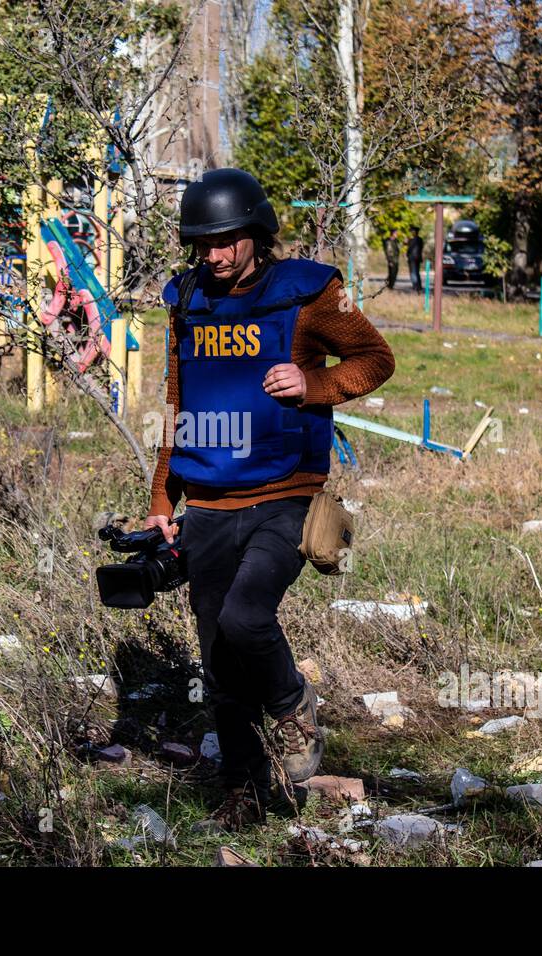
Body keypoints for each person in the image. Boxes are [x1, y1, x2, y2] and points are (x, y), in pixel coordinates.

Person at [146, 168, 395, 831]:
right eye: (204, 244)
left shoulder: (311, 293)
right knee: (220, 665)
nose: (215, 256)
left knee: (247, 617)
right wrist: (160, 501)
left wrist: (313, 384)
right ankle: (245, 793)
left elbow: (375, 359)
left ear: (258, 235)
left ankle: (292, 706)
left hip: (285, 498)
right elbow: (178, 402)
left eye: (227, 241)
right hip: (207, 505)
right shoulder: (188, 298)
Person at [407, 227, 424, 292]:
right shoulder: (420, 239)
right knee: (416, 272)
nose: (411, 233)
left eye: (412, 231)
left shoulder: (412, 240)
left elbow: (409, 248)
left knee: (413, 272)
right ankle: (418, 286)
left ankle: (416, 286)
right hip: (417, 258)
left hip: (412, 258)